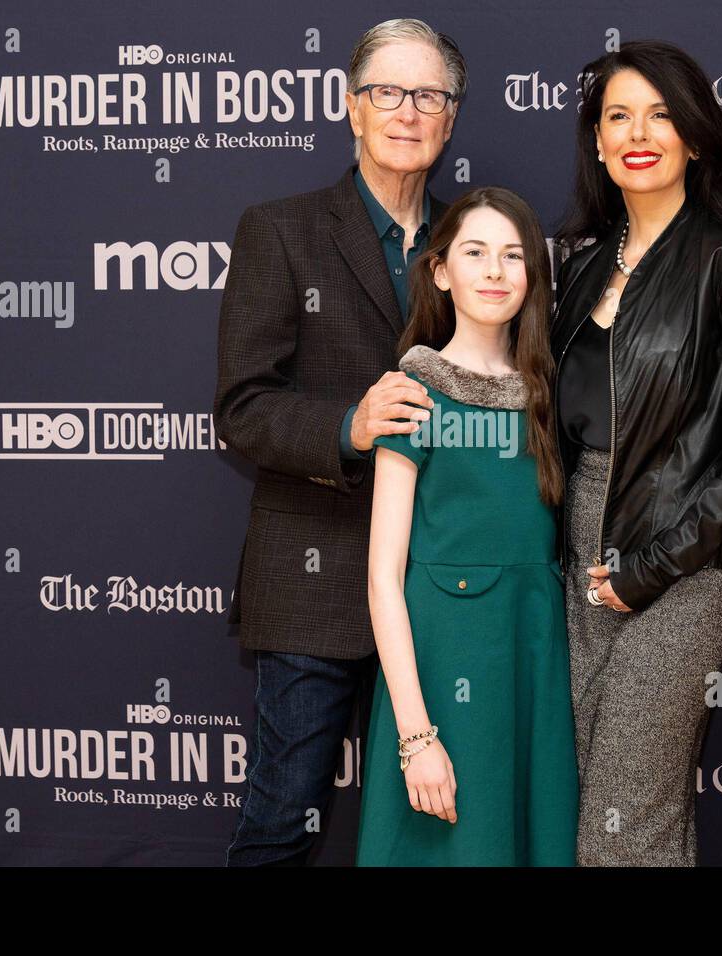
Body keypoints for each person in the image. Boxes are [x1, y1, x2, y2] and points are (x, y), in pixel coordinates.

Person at [213, 18, 467, 866]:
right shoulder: (279, 230)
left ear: (451, 118)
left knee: (434, 833)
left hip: (444, 588)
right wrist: (346, 426)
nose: (408, 111)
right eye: (386, 93)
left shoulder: (477, 242)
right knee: (282, 825)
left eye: (429, 95)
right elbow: (242, 407)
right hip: (313, 582)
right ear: (350, 109)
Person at [550, 40, 722, 866]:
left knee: (623, 820)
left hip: (683, 559)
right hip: (575, 554)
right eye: (618, 116)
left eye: (661, 114)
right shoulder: (581, 271)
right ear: (596, 141)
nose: (637, 132)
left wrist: (648, 568)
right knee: (596, 796)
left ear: (695, 137)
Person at [356, 187, 579, 866]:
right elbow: (383, 579)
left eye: (514, 256)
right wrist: (416, 736)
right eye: (475, 252)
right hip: (442, 673)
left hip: (534, 668)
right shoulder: (413, 389)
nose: (494, 271)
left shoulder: (550, 396)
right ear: (440, 270)